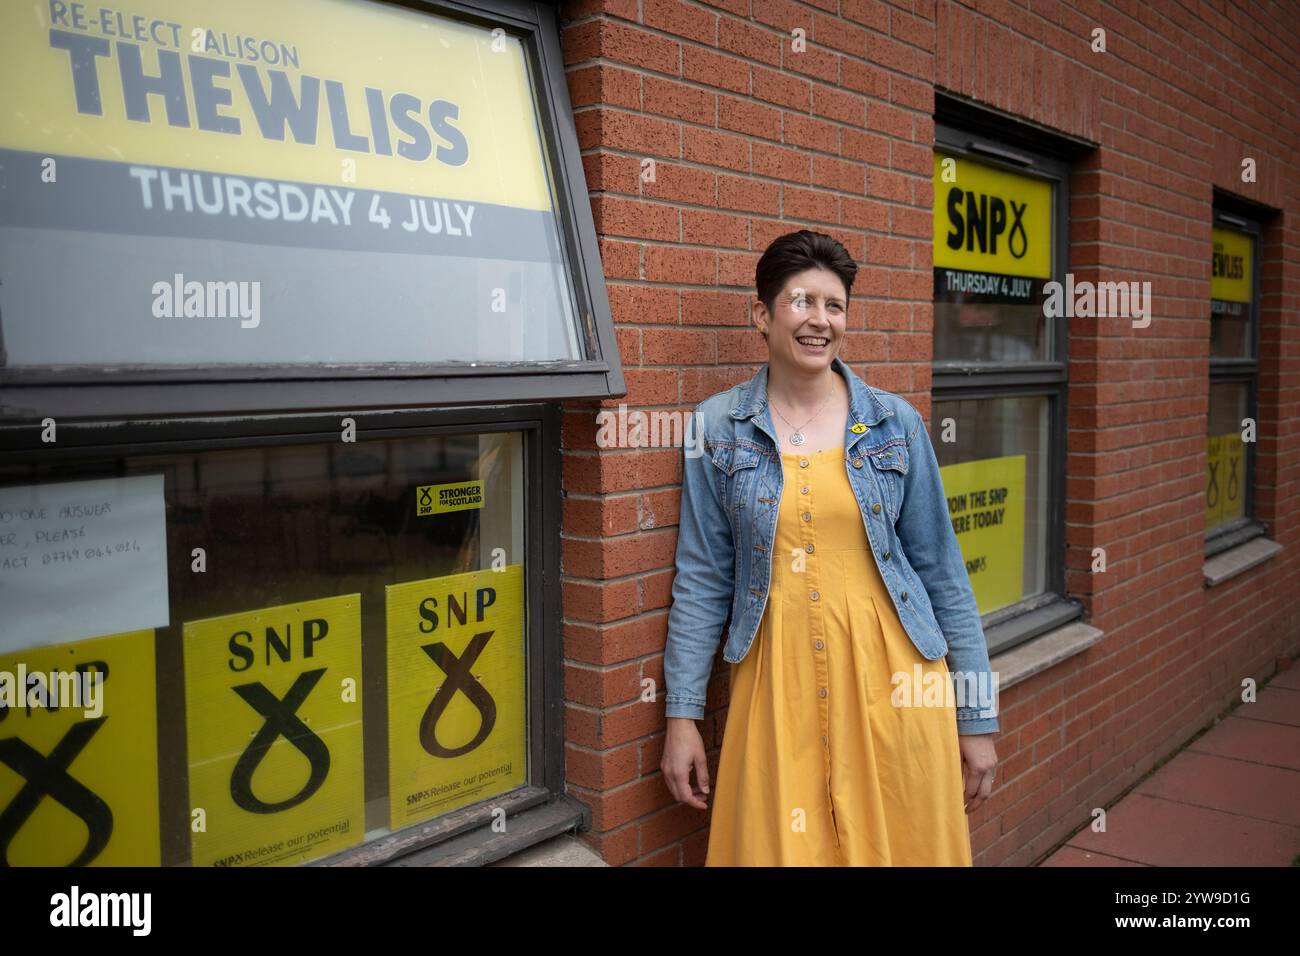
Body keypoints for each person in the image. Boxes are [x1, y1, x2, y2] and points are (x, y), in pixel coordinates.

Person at [660, 229, 1000, 866]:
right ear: (762, 315)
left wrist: (977, 717)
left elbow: (942, 572)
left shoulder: (894, 423)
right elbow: (703, 578)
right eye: (802, 302)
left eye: (835, 305)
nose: (820, 320)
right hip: (774, 686)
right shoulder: (715, 428)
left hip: (897, 684)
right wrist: (681, 716)